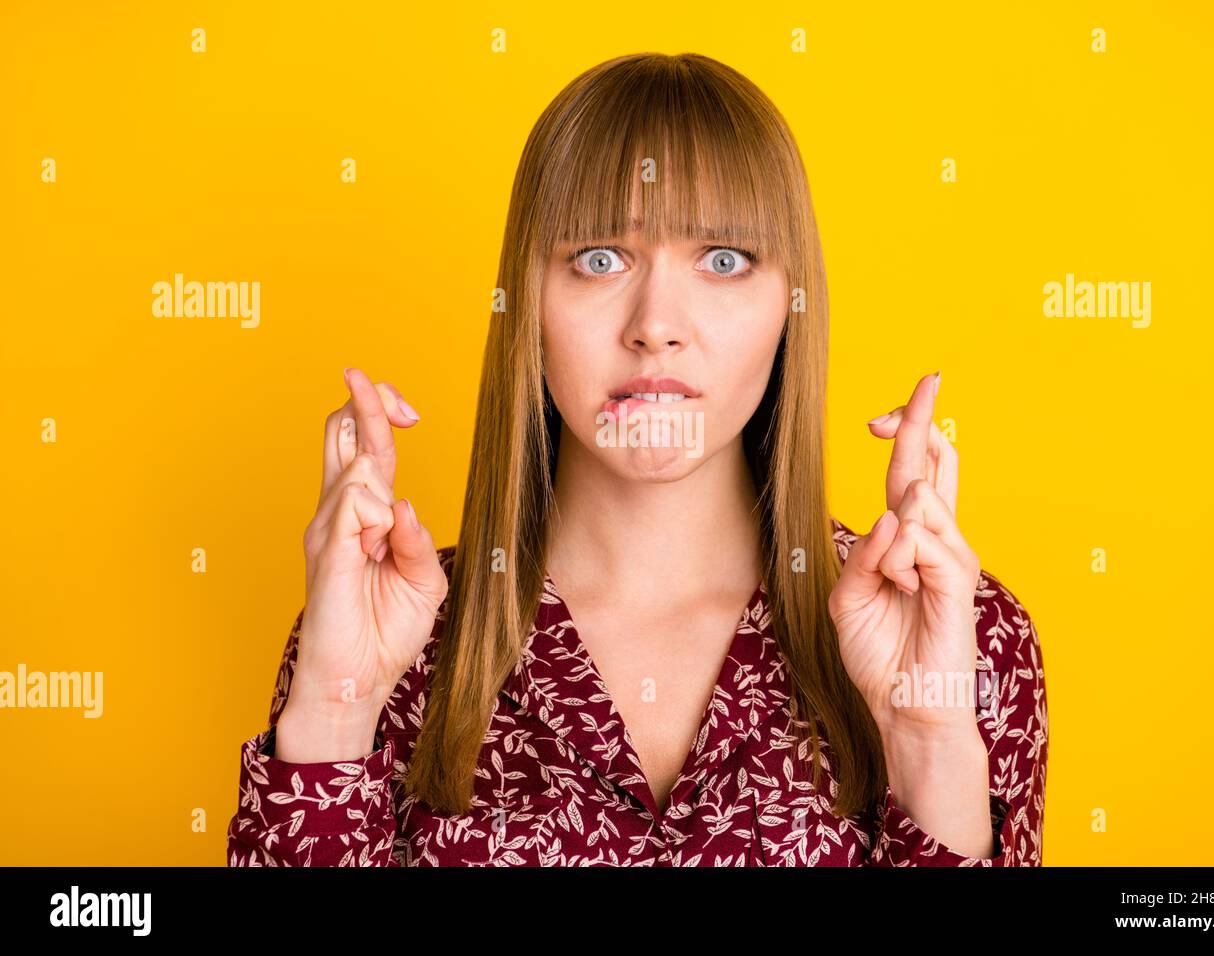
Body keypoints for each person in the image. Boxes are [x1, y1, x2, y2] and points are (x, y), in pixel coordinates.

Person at [227, 52, 1047, 866]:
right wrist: (336, 709)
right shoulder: (383, 638)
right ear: (526, 305)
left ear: (791, 307)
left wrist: (928, 734)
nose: (656, 323)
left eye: (724, 260)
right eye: (600, 259)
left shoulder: (962, 640)